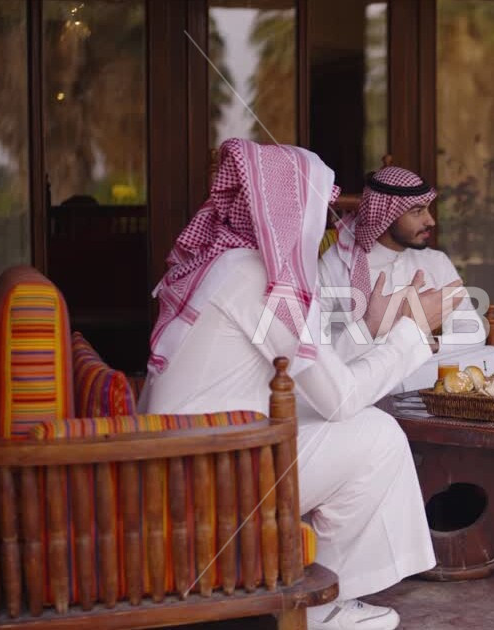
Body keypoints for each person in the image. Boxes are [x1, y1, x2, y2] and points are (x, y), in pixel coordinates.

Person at [139, 138, 458, 629]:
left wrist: (371, 329)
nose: (325, 221)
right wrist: (413, 329)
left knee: (360, 424)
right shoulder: (258, 277)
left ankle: (320, 597)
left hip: (198, 453)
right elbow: (339, 397)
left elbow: (309, 371)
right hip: (206, 471)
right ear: (290, 209)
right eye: (318, 206)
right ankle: (322, 608)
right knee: (377, 435)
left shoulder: (232, 267)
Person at [318, 165, 494, 392]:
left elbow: (473, 331)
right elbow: (320, 352)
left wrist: (431, 345)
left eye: (427, 209)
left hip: (423, 366)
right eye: (417, 211)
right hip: (366, 374)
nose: (431, 221)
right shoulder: (336, 266)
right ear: (385, 216)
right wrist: (372, 332)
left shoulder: (435, 262)